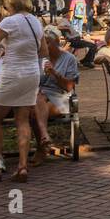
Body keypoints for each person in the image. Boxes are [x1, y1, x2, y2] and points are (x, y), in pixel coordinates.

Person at [0, 0, 47, 184]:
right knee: (22, 119)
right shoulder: (35, 21)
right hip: (31, 74)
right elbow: (43, 51)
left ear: (9, 4)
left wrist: (4, 46)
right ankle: (22, 166)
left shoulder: (9, 21)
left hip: (12, 74)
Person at [34, 27, 79, 155]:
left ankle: (41, 148)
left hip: (60, 96)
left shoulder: (69, 59)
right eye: (43, 43)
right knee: (38, 101)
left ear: (57, 42)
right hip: (40, 96)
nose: (44, 46)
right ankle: (44, 138)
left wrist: (54, 73)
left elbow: (69, 87)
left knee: (36, 109)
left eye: (48, 42)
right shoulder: (39, 58)